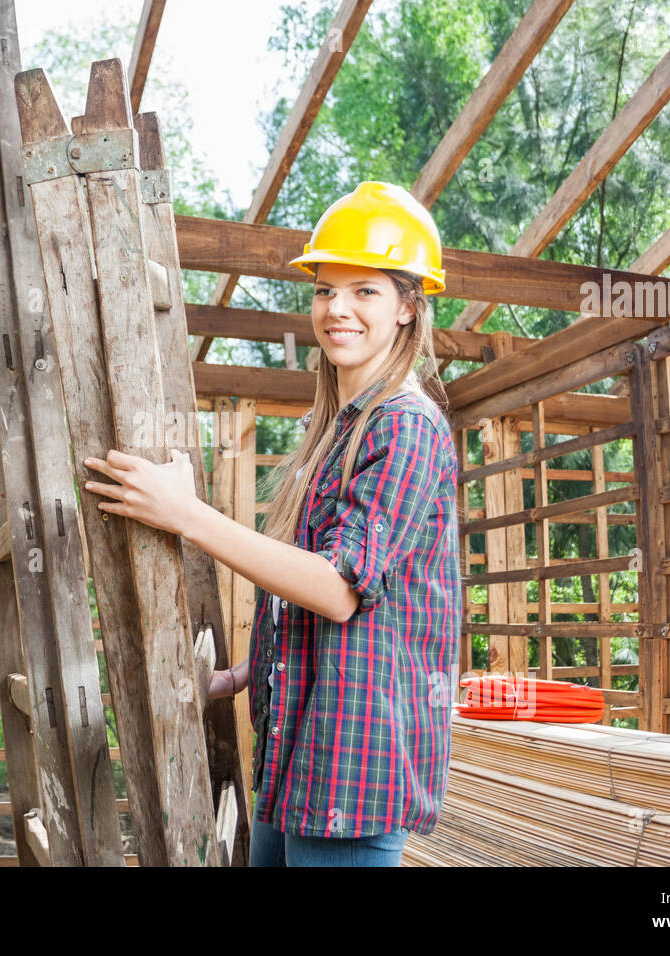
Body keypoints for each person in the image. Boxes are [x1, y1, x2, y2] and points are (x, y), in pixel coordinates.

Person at [80, 181, 462, 867]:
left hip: (355, 768)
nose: (336, 308)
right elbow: (324, 605)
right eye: (324, 290)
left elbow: (337, 590)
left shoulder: (406, 426)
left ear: (409, 306)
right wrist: (241, 675)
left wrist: (185, 514)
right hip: (301, 756)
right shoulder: (340, 428)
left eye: (365, 291)